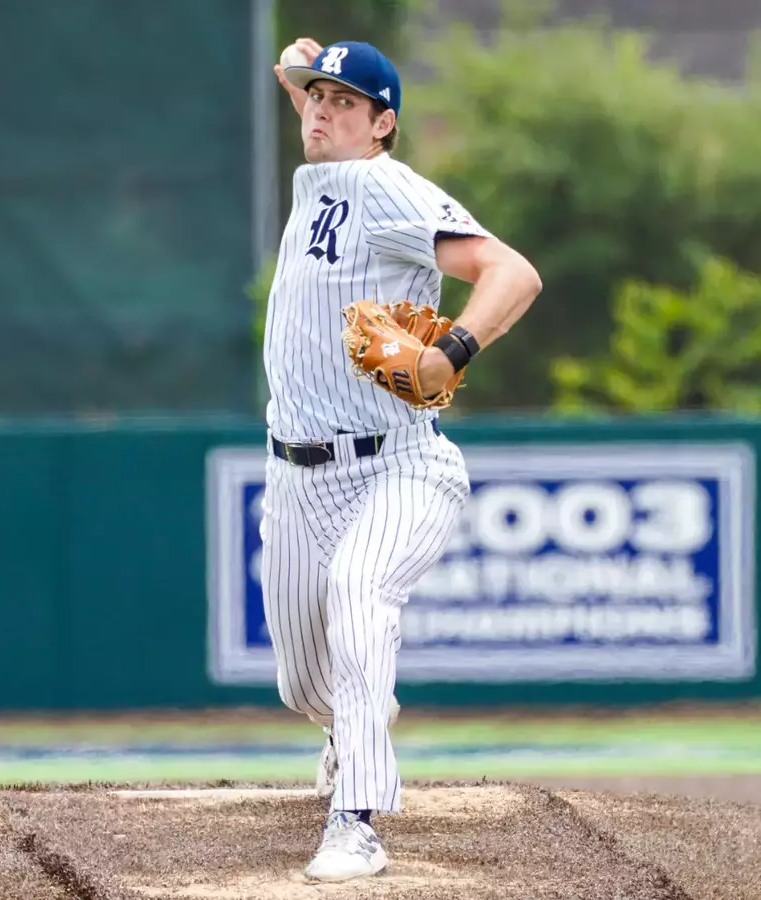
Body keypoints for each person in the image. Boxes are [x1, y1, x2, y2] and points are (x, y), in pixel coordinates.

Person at [262, 37, 543, 883]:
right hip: (295, 477)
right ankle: (354, 721)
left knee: (360, 592)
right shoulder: (326, 172)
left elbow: (512, 272)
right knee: (302, 684)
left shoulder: (387, 187)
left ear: (384, 124)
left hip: (396, 465)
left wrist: (453, 347)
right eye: (317, 98)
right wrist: (299, 77)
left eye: (346, 103)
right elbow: (316, 111)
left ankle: (356, 820)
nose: (322, 109)